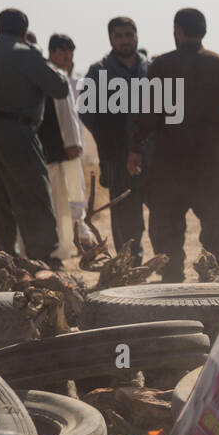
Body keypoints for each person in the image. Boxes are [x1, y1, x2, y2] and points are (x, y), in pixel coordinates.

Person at [126, 9, 219, 282]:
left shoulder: (161, 66)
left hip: (171, 163)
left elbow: (147, 114)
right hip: (213, 163)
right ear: (203, 32)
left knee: (167, 232)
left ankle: (171, 284)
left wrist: (136, 148)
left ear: (178, 31)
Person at [0, 8, 67, 266]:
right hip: (16, 133)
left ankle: (7, 260)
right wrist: (41, 56)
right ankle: (44, 260)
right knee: (34, 194)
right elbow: (60, 88)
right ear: (23, 31)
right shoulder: (28, 55)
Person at [81, 17, 149, 259]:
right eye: (119, 36)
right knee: (125, 215)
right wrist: (110, 136)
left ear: (137, 36)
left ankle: (169, 270)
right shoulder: (99, 71)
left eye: (129, 35)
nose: (125, 40)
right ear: (111, 38)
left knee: (162, 211)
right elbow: (86, 112)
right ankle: (129, 266)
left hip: (151, 154)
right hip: (117, 156)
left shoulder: (150, 68)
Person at [38, 34, 91, 262]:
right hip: (55, 151)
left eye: (70, 51)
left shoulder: (77, 83)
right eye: (62, 51)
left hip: (73, 150)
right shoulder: (45, 80)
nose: (67, 56)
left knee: (76, 193)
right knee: (57, 197)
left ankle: (82, 237)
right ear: (51, 53)